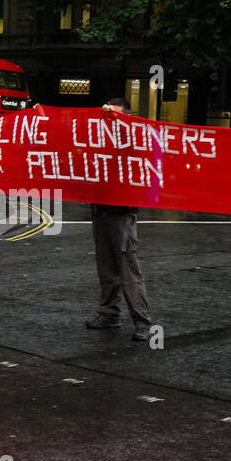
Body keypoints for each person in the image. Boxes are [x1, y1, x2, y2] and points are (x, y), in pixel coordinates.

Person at [86, 96, 154, 341]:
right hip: (101, 210)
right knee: (106, 268)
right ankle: (109, 314)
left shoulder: (134, 138)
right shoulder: (100, 139)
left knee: (128, 268)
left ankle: (142, 322)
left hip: (122, 214)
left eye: (113, 115)